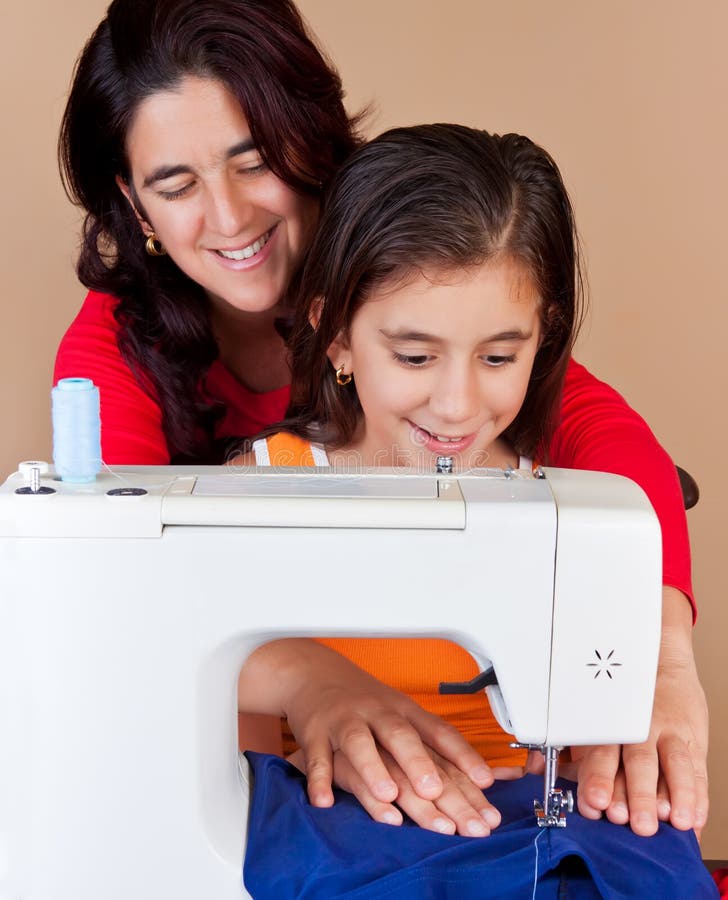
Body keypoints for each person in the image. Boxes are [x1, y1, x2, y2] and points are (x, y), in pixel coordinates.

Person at [54, 0, 707, 839]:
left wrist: (662, 656)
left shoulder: (416, 277)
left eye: (253, 163)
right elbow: (122, 592)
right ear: (134, 203)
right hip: (271, 750)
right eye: (176, 185)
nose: (227, 217)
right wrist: (311, 685)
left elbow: (608, 449)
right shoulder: (114, 357)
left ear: (308, 141)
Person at [237, 123, 716, 898]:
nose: (458, 405)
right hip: (353, 824)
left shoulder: (564, 499)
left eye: (499, 358)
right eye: (416, 357)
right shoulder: (257, 491)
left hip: (528, 820)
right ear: (336, 338)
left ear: (543, 337)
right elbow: (232, 749)